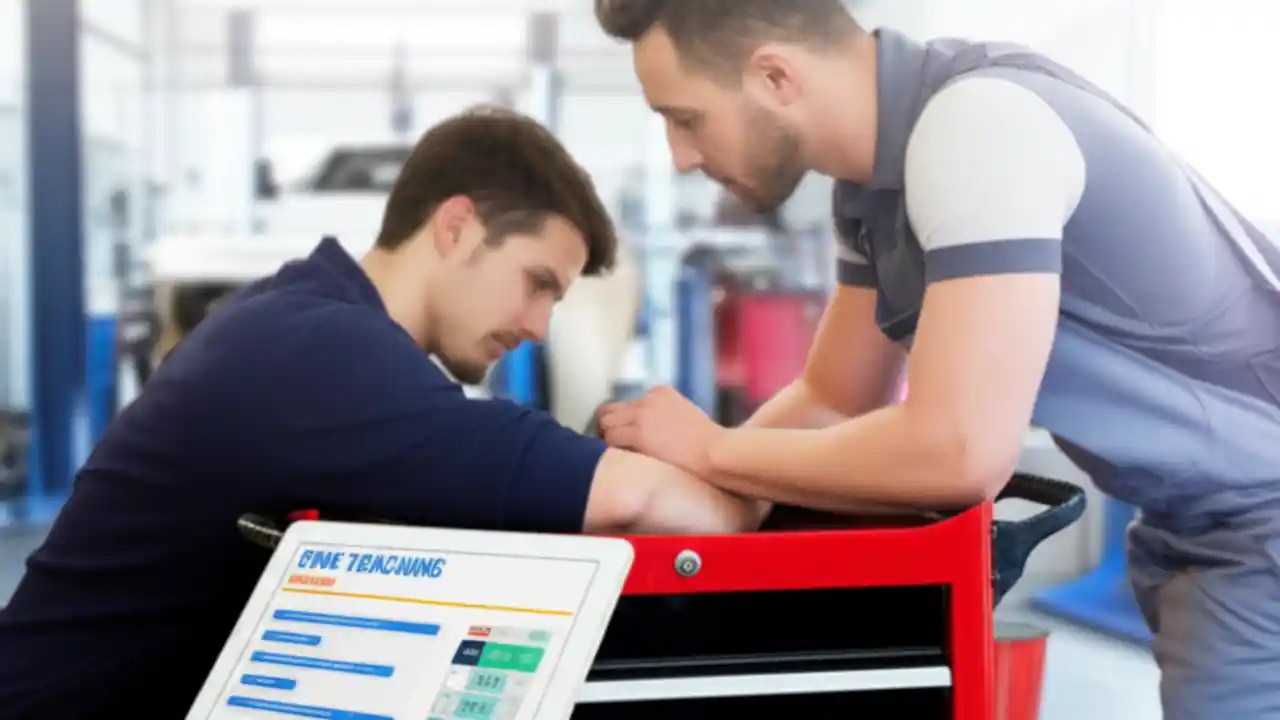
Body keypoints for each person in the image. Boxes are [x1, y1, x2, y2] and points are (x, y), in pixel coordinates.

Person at [592, 2, 1280, 718]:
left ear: (775, 76)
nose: (680, 155)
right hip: (1193, 515)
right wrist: (697, 494)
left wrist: (712, 451)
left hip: (1261, 509)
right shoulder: (870, 185)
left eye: (686, 117)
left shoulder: (976, 129)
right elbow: (834, 396)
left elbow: (960, 452)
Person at [0, 106, 763, 719]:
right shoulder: (323, 352)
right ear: (456, 225)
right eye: (536, 283)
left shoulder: (298, 315)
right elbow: (645, 504)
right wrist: (728, 463)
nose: (537, 326)